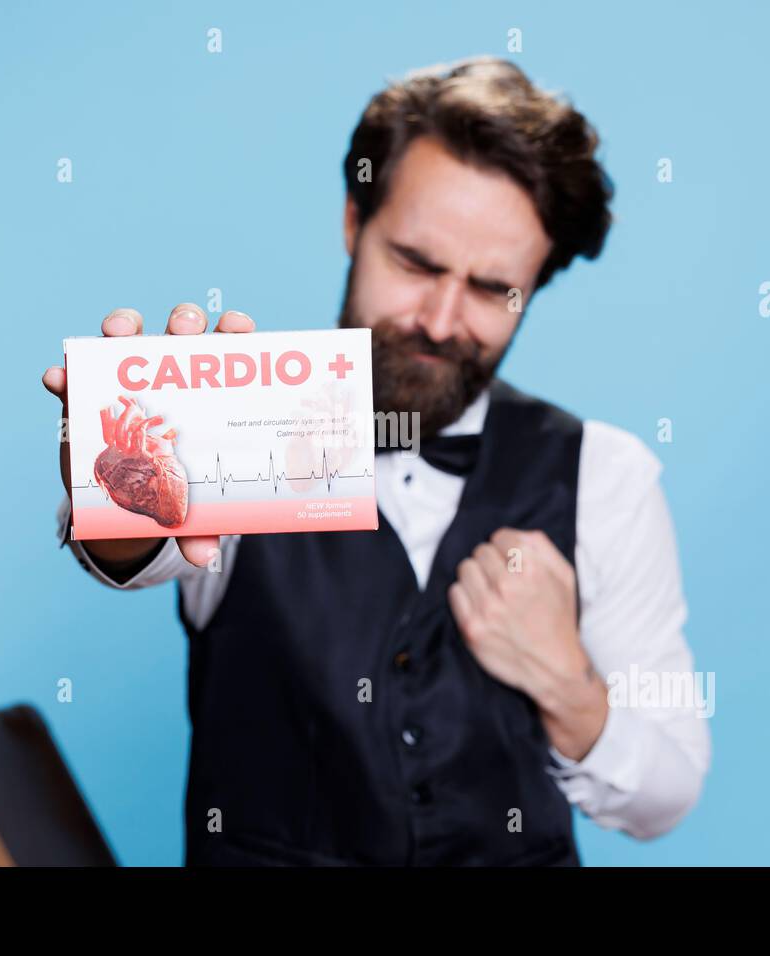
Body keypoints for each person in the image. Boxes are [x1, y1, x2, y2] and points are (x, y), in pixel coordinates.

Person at [42, 57, 709, 866]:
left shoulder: (606, 473)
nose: (439, 318)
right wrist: (113, 487)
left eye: (492, 287)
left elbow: (667, 791)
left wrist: (567, 682)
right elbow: (130, 551)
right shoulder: (240, 418)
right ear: (355, 221)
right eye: (417, 264)